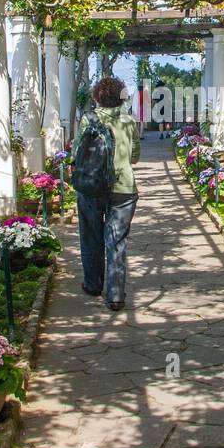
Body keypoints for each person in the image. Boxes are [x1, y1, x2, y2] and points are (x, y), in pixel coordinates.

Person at [77, 77, 141, 311]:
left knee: (91, 237)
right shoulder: (128, 121)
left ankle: (93, 285)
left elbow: (77, 152)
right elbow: (135, 155)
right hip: (123, 189)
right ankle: (115, 295)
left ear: (97, 96)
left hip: (92, 188)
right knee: (116, 241)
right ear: (120, 97)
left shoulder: (88, 119)